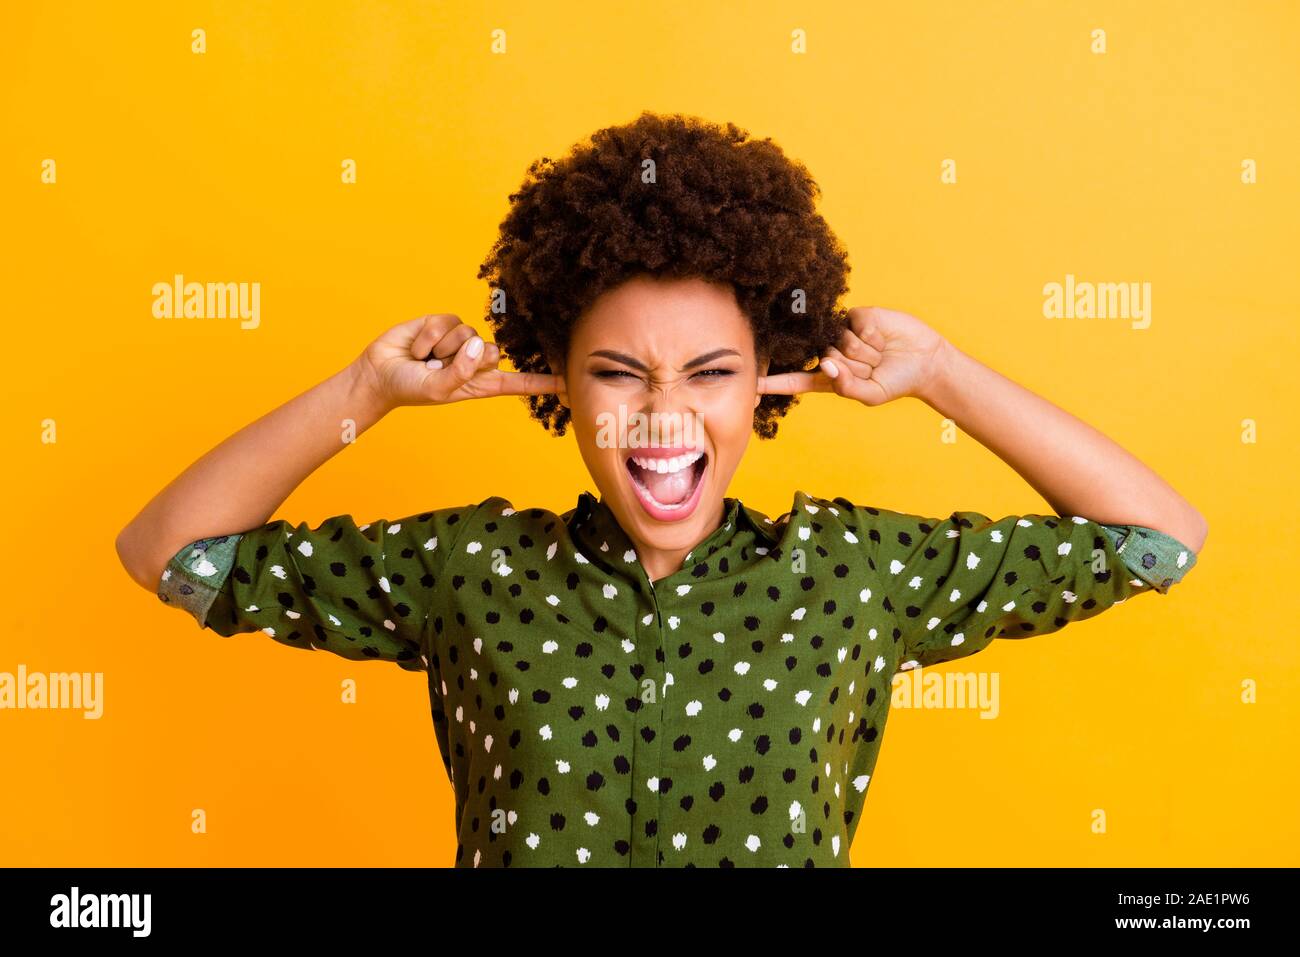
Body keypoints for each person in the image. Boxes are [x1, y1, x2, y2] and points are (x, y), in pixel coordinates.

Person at [115, 112, 1206, 867]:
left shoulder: (853, 576)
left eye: (711, 373)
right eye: (617, 372)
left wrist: (943, 377)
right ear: (553, 379)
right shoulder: (467, 572)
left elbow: (1160, 540)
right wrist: (368, 390)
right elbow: (172, 553)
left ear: (770, 380)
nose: (663, 415)